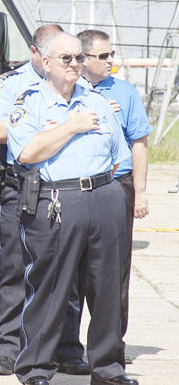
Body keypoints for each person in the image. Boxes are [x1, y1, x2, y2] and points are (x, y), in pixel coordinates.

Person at [6, 32, 136, 385]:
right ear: (46, 63)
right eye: (67, 59)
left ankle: (108, 368)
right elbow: (28, 153)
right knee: (49, 287)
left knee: (107, 287)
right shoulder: (29, 103)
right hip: (56, 202)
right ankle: (35, 368)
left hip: (103, 195)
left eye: (80, 58)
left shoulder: (94, 101)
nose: (76, 64)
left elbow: (116, 157)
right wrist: (70, 128)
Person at [0, 24, 90, 376]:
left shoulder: (78, 85)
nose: (67, 60)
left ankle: (67, 347)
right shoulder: (9, 84)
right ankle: (7, 347)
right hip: (22, 186)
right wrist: (50, 127)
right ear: (37, 54)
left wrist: (43, 130)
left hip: (65, 187)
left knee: (67, 270)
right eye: (57, 53)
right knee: (16, 267)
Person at [78, 29, 152, 363]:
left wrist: (140, 192)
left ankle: (110, 348)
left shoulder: (123, 92)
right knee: (69, 271)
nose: (111, 61)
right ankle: (66, 348)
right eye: (103, 56)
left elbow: (139, 143)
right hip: (73, 190)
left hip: (115, 187)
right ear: (83, 59)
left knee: (113, 272)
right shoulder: (67, 91)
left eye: (111, 54)